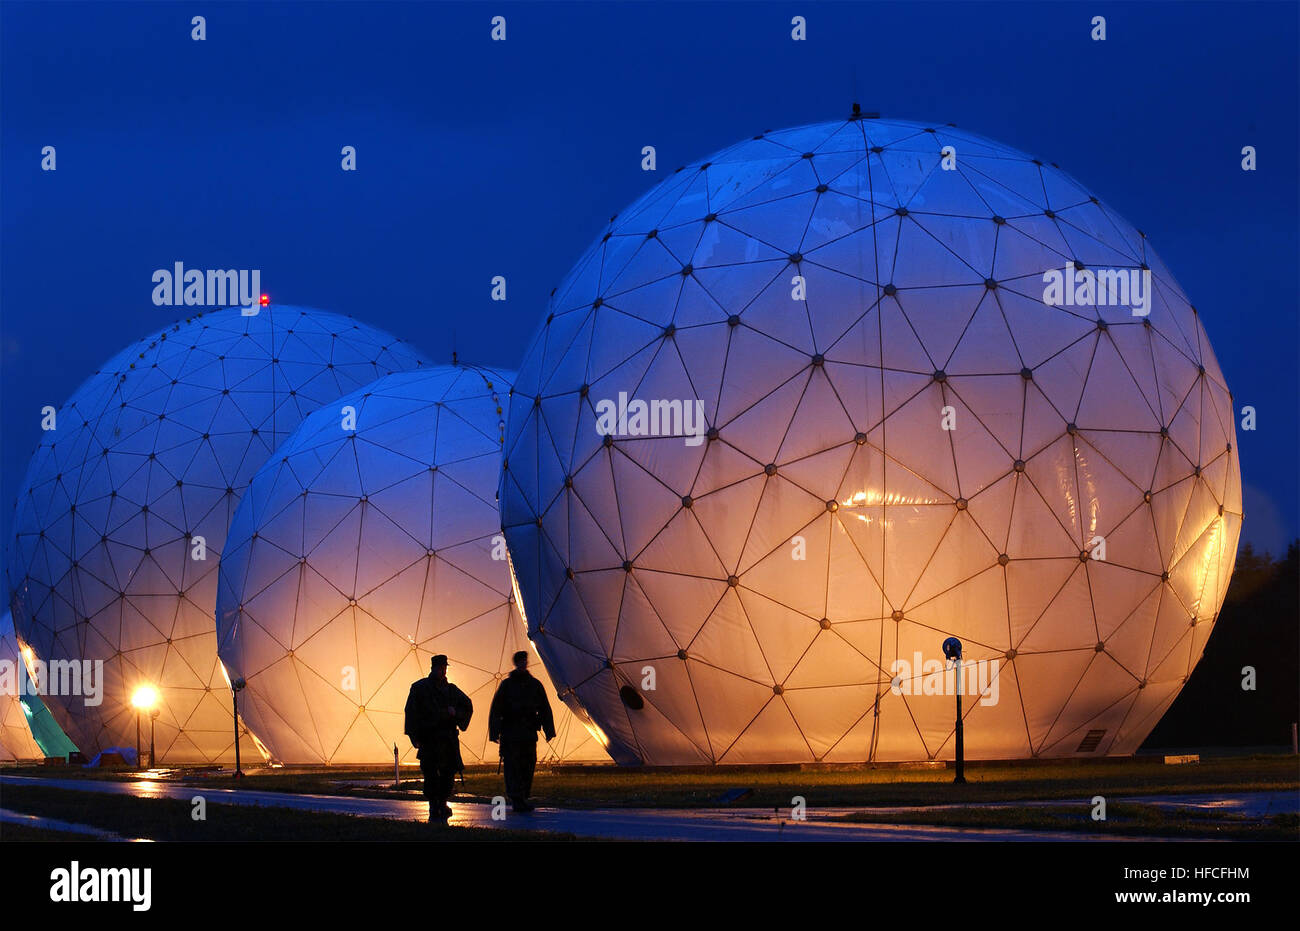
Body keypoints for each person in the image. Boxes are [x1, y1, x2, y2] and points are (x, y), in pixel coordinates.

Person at [404, 654, 472, 822]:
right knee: (431, 774)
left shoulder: (452, 690)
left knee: (448, 775)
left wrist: (456, 714)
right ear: (433, 668)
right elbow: (411, 713)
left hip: (448, 741)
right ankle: (434, 805)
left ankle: (442, 803)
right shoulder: (419, 688)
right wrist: (414, 737)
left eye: (444, 668)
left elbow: (467, 705)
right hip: (429, 740)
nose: (443, 671)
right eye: (440, 668)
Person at [488, 650, 556, 812]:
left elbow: (544, 707)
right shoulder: (507, 686)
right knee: (513, 766)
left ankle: (522, 796)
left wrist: (549, 729)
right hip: (511, 734)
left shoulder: (534, 685)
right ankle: (517, 798)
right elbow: (496, 709)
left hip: (527, 733)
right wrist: (495, 732)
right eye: (520, 661)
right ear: (516, 663)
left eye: (525, 661)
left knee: (528, 764)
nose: (523, 664)